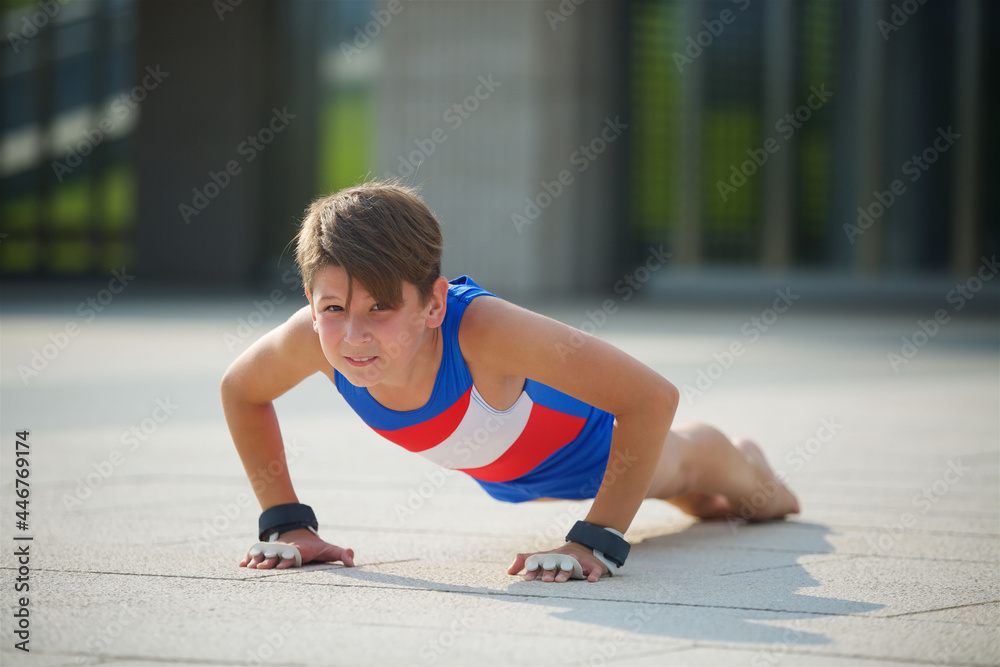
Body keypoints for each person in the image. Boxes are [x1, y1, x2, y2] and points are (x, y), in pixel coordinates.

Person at [221, 181, 799, 584]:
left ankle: (744, 460)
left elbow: (652, 398)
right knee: (698, 507)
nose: (353, 335)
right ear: (310, 300)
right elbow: (241, 391)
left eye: (381, 308)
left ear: (434, 303)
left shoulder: (482, 331)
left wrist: (595, 540)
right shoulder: (310, 337)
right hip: (512, 477)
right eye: (333, 308)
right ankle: (699, 490)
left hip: (597, 451)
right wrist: (286, 522)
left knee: (746, 498)